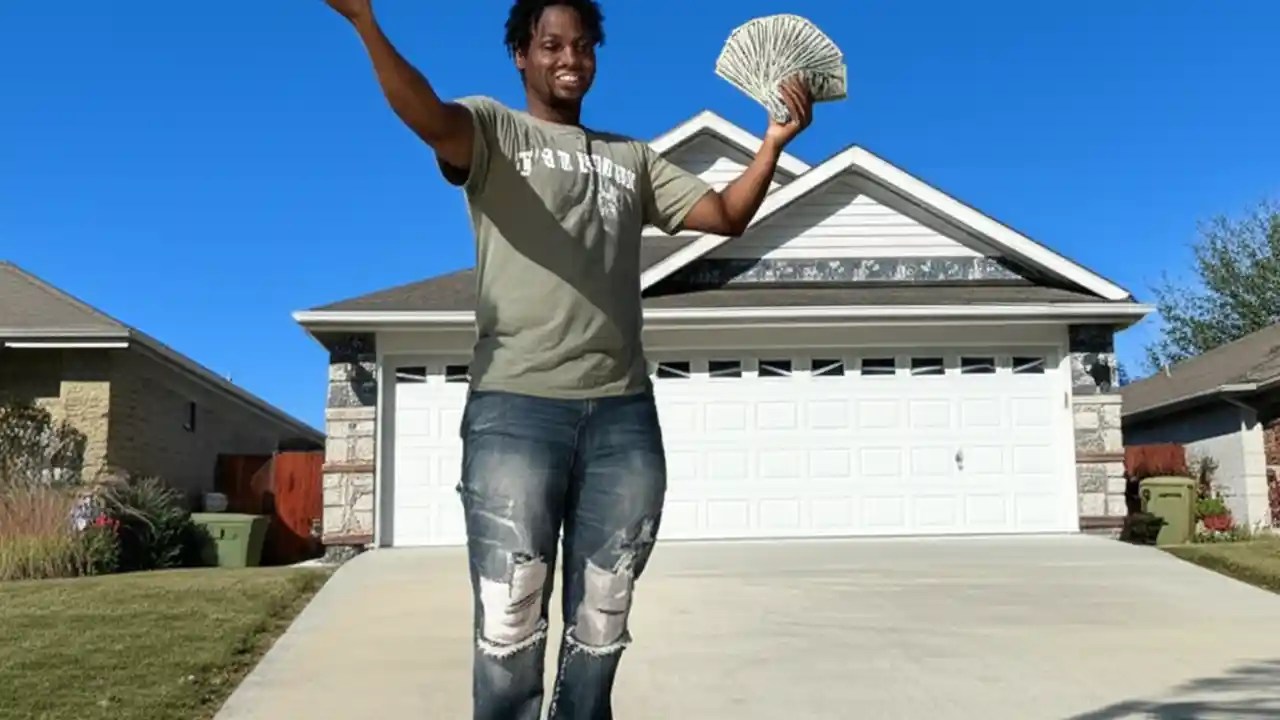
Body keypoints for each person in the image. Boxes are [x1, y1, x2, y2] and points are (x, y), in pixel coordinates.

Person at [323, 1, 815, 717]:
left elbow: (725, 216)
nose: (570, 59)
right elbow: (427, 117)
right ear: (521, 54)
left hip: (623, 417)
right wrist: (365, 22)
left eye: (583, 46)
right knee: (509, 621)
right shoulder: (494, 129)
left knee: (603, 620)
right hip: (515, 411)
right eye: (551, 45)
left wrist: (772, 142)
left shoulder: (631, 159)